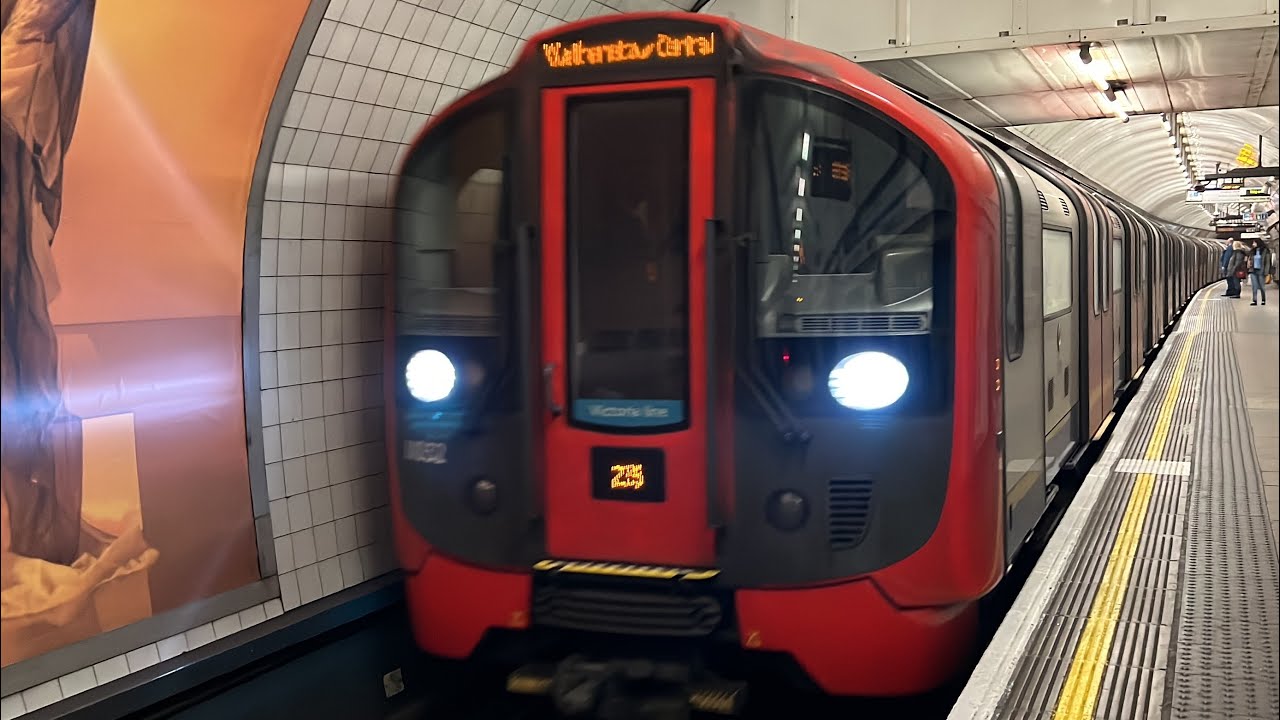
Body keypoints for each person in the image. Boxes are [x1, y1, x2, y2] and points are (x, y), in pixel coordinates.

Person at [1, 0, 97, 564]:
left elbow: (41, 19)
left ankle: (35, 518)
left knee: (18, 302)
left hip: (12, 108)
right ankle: (31, 517)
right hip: (15, 102)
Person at [1249, 239, 1269, 306]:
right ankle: (1254, 300)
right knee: (1254, 286)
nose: (1253, 244)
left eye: (1254, 243)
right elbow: (1249, 260)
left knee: (1262, 286)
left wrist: (1266, 272)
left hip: (1261, 271)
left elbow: (1267, 262)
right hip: (1253, 270)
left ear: (1258, 243)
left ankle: (1263, 300)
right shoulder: (1252, 251)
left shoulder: (1265, 251)